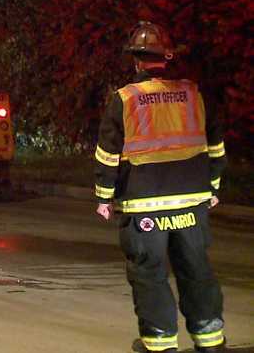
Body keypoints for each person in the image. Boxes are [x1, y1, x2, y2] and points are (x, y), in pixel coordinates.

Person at [93, 21, 228, 352]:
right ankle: (210, 341)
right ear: (166, 59)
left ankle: (160, 344)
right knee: (197, 271)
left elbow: (109, 155)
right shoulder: (194, 95)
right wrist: (212, 189)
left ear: (137, 61)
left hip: (144, 207)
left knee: (149, 275)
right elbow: (216, 149)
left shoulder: (124, 99)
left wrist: (104, 197)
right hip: (192, 204)